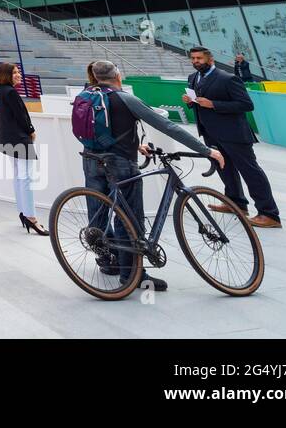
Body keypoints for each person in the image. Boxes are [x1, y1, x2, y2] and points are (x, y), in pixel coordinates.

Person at [85, 60, 225, 292]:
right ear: (118, 74)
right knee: (129, 218)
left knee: (98, 209)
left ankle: (107, 260)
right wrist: (206, 150)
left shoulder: (88, 94)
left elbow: (99, 129)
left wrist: (136, 145)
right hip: (120, 163)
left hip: (91, 159)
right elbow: (168, 126)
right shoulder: (125, 98)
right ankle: (132, 274)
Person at [183, 46, 281, 228]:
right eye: (193, 58)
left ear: (210, 59)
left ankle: (269, 214)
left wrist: (214, 104)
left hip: (234, 134)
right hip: (210, 133)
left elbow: (246, 105)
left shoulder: (228, 78)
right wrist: (191, 102)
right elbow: (199, 102)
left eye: (199, 58)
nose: (196, 61)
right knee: (224, 168)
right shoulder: (193, 78)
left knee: (250, 172)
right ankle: (236, 203)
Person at [0, 62, 48, 236]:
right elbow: (21, 116)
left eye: (18, 72)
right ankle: (31, 218)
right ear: (6, 75)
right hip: (19, 138)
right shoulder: (10, 92)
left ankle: (23, 212)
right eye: (15, 72)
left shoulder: (0, 90)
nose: (19, 75)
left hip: (8, 138)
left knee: (19, 176)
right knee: (26, 178)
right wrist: (31, 130)